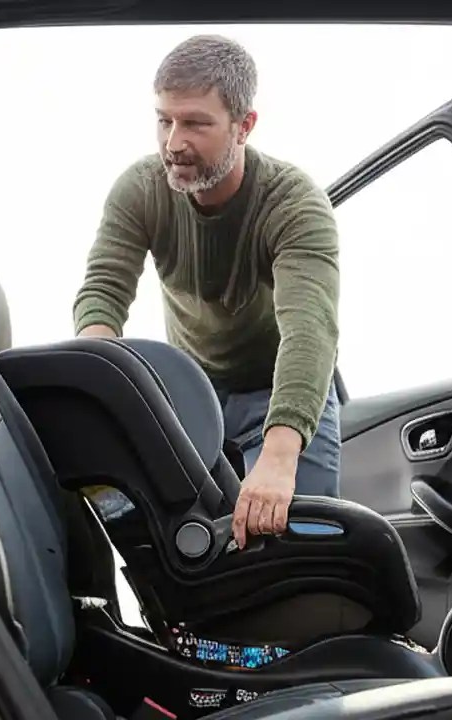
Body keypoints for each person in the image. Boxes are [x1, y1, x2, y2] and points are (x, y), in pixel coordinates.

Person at [72, 34, 340, 550]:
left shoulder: (294, 204)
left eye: (195, 123)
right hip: (194, 394)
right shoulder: (141, 189)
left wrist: (280, 457)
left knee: (303, 550)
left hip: (281, 391)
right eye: (163, 119)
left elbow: (310, 330)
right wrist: (99, 393)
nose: (173, 141)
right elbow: (103, 292)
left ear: (245, 126)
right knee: (182, 552)